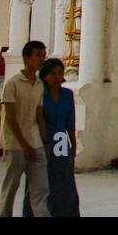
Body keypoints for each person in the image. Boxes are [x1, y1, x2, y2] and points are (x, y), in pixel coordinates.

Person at [0, 40, 50, 217]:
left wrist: (45, 142)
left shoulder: (40, 85)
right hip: (15, 145)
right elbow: (10, 119)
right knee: (10, 189)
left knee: (40, 190)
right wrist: (24, 145)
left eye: (43, 55)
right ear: (27, 58)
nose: (42, 59)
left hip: (36, 143)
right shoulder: (12, 83)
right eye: (38, 55)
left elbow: (39, 116)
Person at [37, 58, 79, 216]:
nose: (57, 78)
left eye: (60, 74)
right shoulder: (40, 94)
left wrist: (73, 145)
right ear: (45, 76)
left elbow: (70, 121)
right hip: (44, 141)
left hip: (61, 141)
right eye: (53, 74)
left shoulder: (67, 95)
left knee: (64, 179)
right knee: (42, 179)